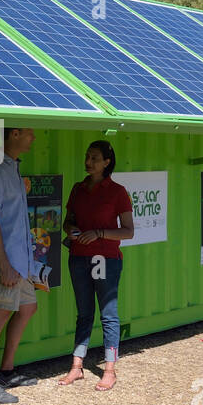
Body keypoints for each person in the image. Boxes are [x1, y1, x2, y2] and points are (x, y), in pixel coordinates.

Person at [0, 127, 41, 404]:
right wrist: (4, 265)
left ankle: (7, 370)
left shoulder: (11, 168)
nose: (33, 138)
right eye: (29, 133)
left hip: (19, 262)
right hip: (6, 262)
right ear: (13, 135)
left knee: (27, 307)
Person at [60, 140, 134, 392]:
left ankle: (109, 370)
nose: (88, 162)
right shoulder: (78, 189)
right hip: (78, 258)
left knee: (108, 315)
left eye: (94, 158)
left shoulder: (118, 192)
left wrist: (99, 233)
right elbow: (67, 221)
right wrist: (71, 230)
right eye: (87, 156)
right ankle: (76, 367)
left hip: (105, 260)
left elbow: (128, 231)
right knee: (84, 313)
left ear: (107, 162)